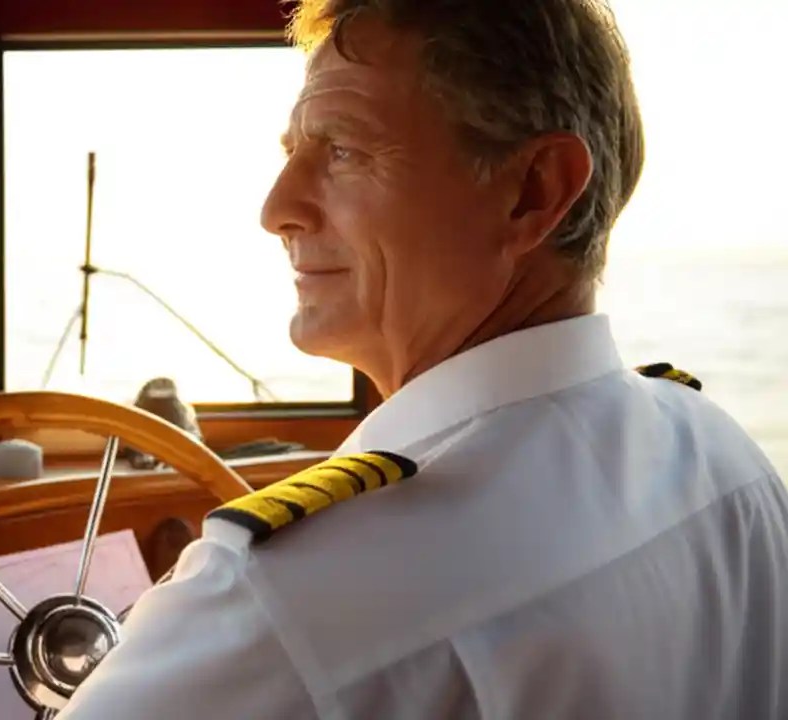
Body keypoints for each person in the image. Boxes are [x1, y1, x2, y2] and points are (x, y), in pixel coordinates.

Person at [56, 1, 788, 718]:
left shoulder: (285, 602)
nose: (277, 208)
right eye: (293, 155)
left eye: (343, 150)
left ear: (533, 192)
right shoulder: (728, 462)